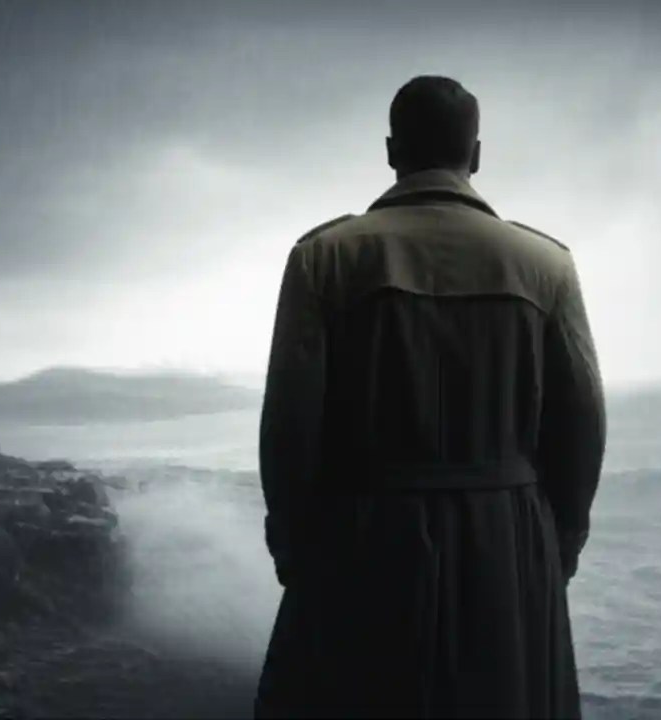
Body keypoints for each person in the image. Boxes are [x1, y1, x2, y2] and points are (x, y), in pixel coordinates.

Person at [254, 75, 607, 718]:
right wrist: (561, 541)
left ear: (392, 151)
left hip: (362, 532)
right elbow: (581, 421)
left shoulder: (324, 258)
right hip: (507, 534)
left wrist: (294, 544)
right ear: (475, 154)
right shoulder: (544, 263)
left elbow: (289, 425)